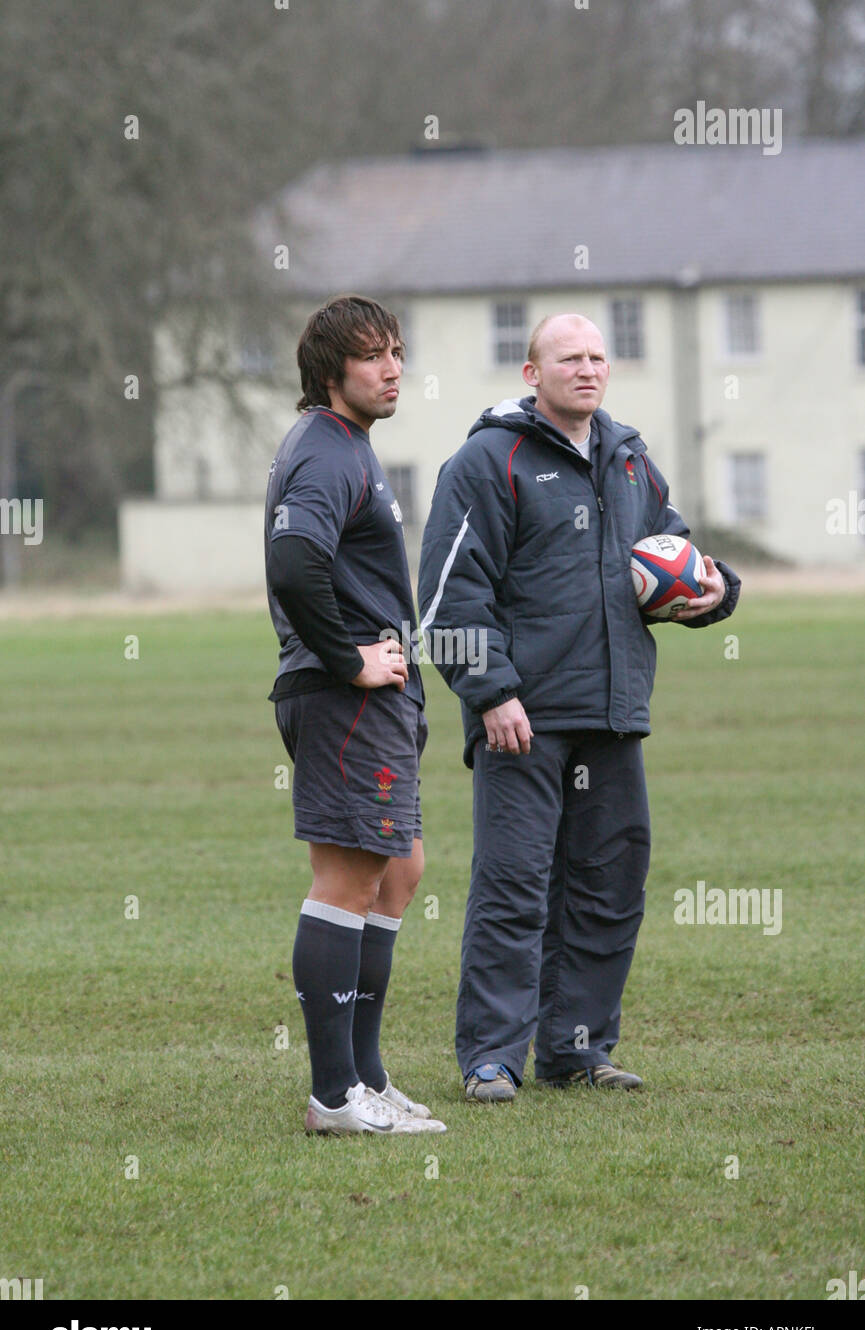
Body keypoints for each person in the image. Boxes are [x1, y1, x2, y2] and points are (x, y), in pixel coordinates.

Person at [418, 313, 741, 1102]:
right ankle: (491, 1058)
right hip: (523, 719)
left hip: (613, 713)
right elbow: (445, 594)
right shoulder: (488, 461)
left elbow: (673, 548)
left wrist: (719, 587)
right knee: (513, 886)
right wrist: (491, 692)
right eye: (568, 357)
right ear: (532, 373)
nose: (586, 369)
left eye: (598, 356)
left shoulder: (628, 461)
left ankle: (577, 1049)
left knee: (608, 887)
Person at [265, 294, 445, 1135]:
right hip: (343, 698)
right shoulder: (327, 450)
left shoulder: (351, 448)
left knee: (398, 870)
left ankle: (366, 1076)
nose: (392, 368)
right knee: (346, 879)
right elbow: (294, 562)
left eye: (397, 352)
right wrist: (350, 659)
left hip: (375, 699)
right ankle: (333, 1096)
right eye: (373, 355)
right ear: (331, 370)